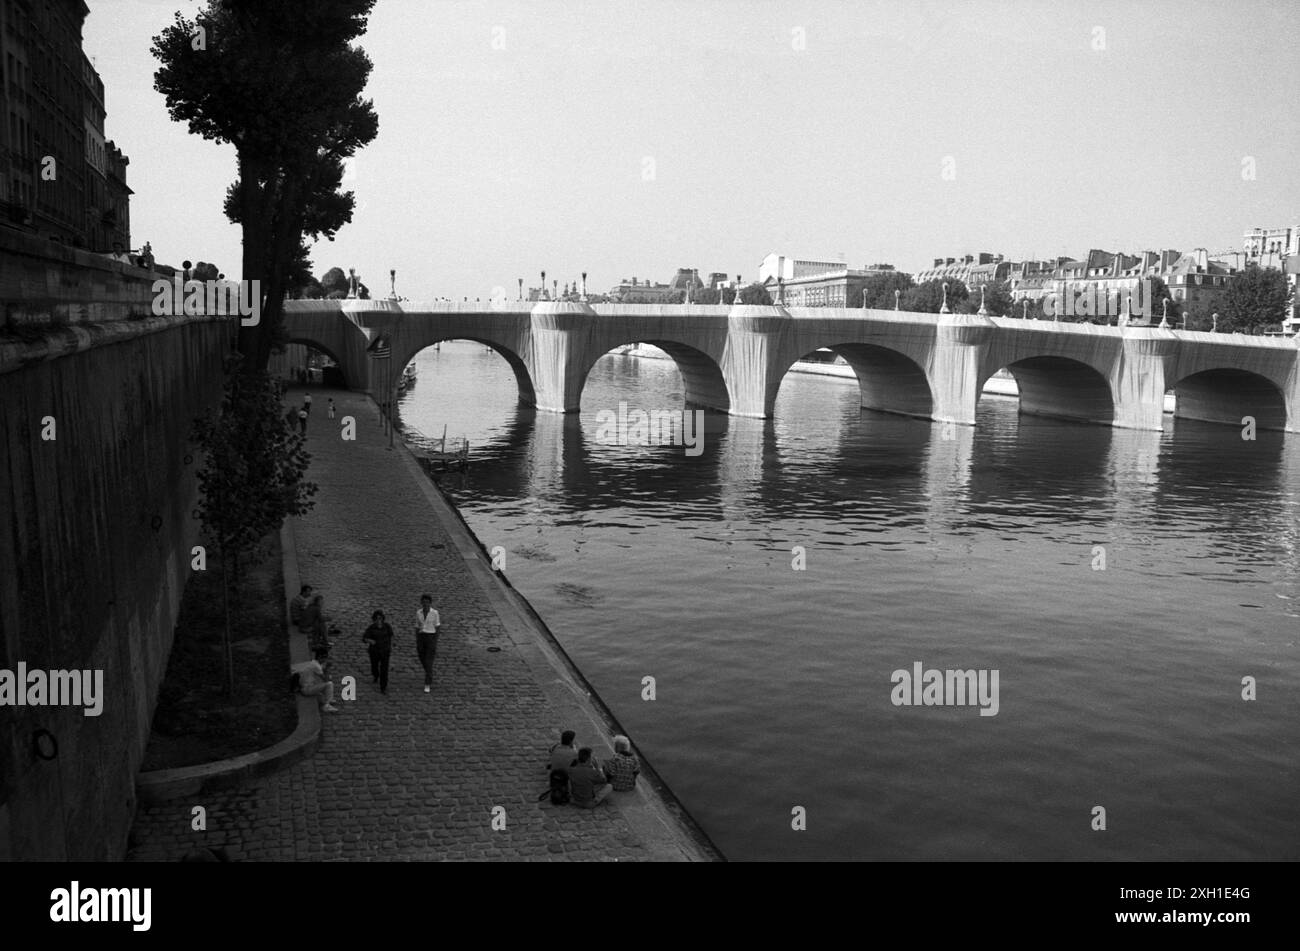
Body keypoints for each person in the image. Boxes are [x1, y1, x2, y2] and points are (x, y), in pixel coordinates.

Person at [292, 647, 338, 712]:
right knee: (329, 684)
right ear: (320, 657)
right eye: (325, 658)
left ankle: (329, 698)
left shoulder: (314, 663)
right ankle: (326, 706)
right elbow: (326, 679)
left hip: (307, 686)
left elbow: (322, 673)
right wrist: (328, 668)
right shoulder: (316, 666)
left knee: (327, 680)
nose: (325, 660)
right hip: (307, 689)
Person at [362, 609, 395, 693]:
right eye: (376, 618)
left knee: (384, 669)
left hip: (385, 651)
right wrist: (370, 641)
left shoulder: (387, 626)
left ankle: (383, 687)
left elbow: (391, 635)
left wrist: (391, 645)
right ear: (374, 619)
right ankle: (376, 675)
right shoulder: (371, 628)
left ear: (382, 618)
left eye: (380, 618)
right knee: (374, 666)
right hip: (374, 651)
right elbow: (364, 638)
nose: (378, 620)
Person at [414, 594, 440, 693]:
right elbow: (417, 626)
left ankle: (427, 683)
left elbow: (437, 627)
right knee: (422, 658)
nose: (425, 604)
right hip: (421, 638)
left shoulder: (435, 613)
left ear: (430, 603)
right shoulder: (418, 613)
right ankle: (430, 672)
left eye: (427, 602)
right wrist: (417, 639)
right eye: (424, 602)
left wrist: (435, 640)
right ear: (421, 603)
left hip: (430, 637)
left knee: (428, 661)